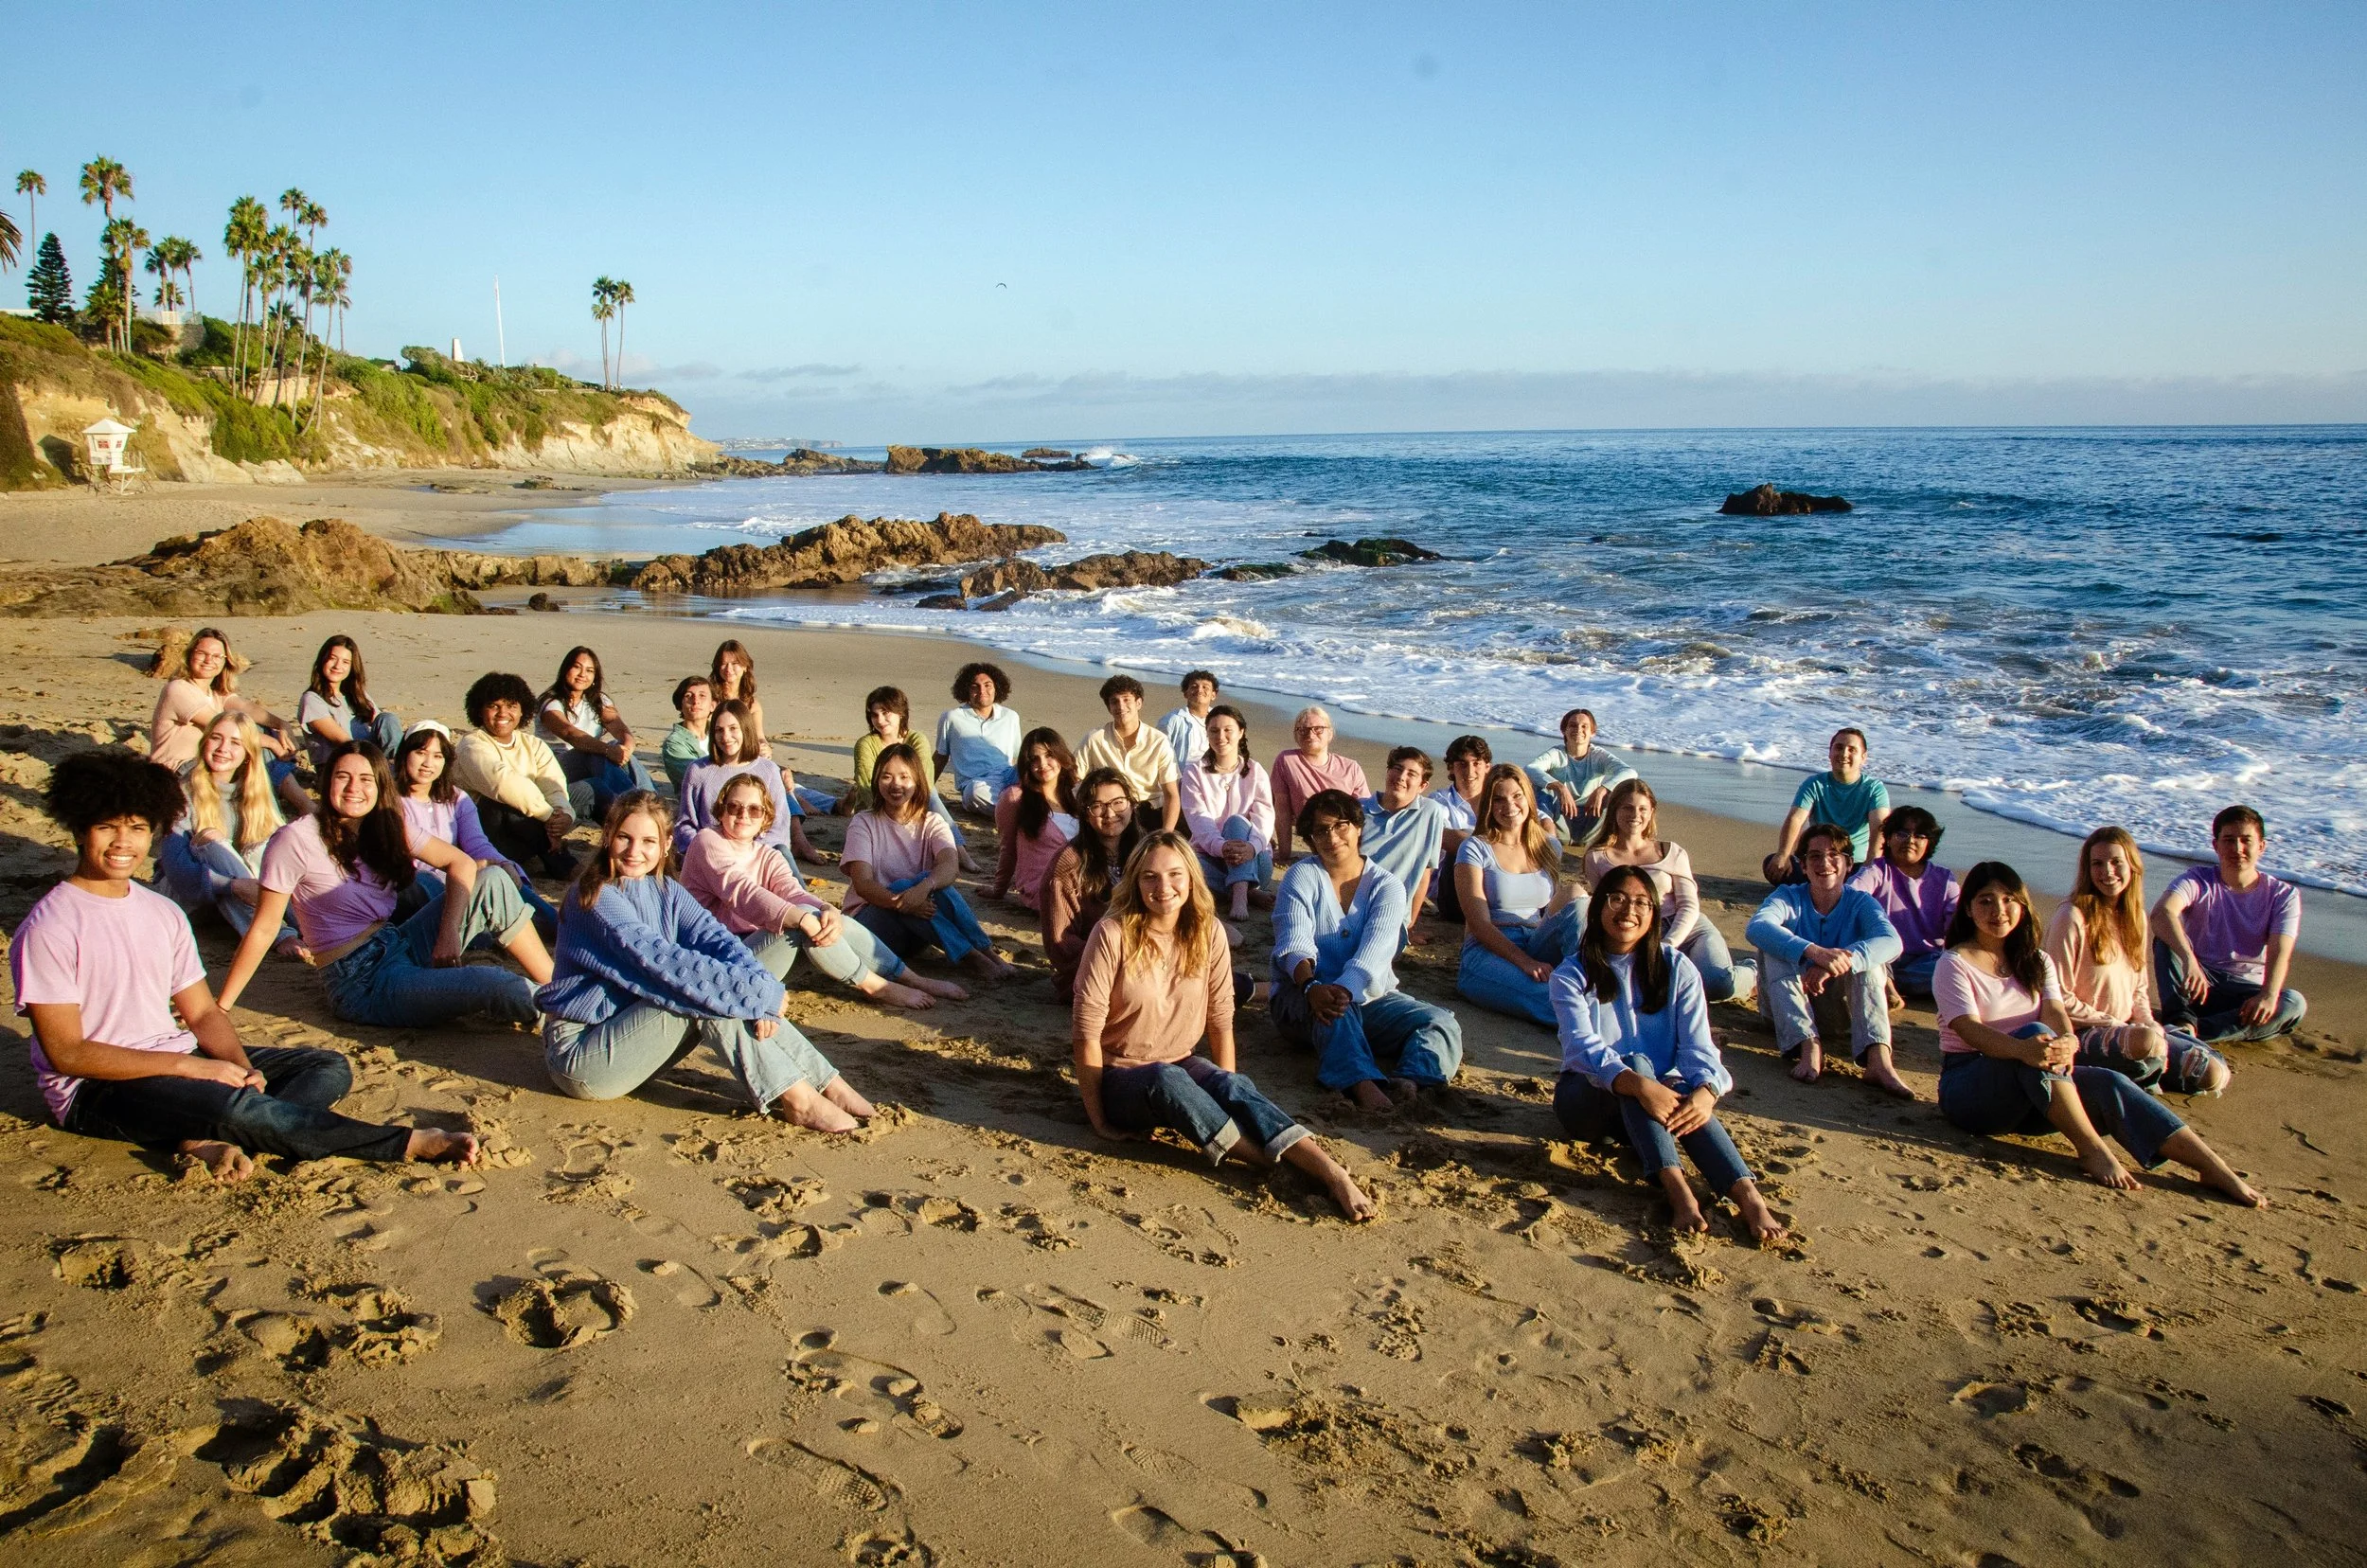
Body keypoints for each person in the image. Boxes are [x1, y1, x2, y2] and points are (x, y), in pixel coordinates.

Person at [14, 751, 477, 1180]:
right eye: (107, 827)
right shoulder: (51, 926)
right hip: (96, 1089)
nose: (123, 842)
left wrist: (239, 1068)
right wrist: (193, 1069)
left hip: (176, 1056)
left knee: (326, 1068)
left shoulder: (162, 912)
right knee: (233, 1104)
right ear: (79, 830)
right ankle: (407, 1143)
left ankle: (214, 1133)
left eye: (136, 828)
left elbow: (202, 1013)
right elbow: (68, 1054)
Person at [1073, 833, 1377, 1221]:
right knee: (1169, 1080)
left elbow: (1220, 1017)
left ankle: (1331, 1172)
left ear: (1191, 878)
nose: (1163, 887)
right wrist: (1099, 1120)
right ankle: (1271, 1165)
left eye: (1174, 875)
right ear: (1134, 881)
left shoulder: (1208, 931)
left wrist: (1223, 1089)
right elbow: (1085, 1032)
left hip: (1181, 1061)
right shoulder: (1112, 934)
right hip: (1119, 1077)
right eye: (1149, 877)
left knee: (1231, 1084)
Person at [539, 792, 878, 1131]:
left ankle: (826, 1083)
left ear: (667, 844)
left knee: (722, 984)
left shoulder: (667, 890)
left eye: (647, 841)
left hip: (635, 1035)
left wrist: (761, 987)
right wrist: (760, 995)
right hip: (583, 1057)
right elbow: (661, 960)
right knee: (702, 993)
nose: (634, 851)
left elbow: (719, 941)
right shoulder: (596, 897)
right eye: (624, 838)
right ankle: (799, 1100)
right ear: (608, 835)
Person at [1935, 861, 2263, 1205]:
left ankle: (2211, 1166)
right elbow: (1968, 1029)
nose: (1998, 910)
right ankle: (2091, 1149)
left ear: (2022, 905)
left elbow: (2056, 1012)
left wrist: (2069, 1041)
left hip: (2034, 1086)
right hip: (1970, 1090)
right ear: (1969, 910)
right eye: (1985, 901)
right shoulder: (1954, 963)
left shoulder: (2036, 960)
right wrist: (2024, 1050)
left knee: (2109, 1081)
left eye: (2008, 900)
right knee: (2034, 1033)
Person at [217, 741, 554, 1030]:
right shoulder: (295, 840)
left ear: (380, 785)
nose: (354, 788)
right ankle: (569, 1017)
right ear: (326, 781)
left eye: (365, 779)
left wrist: (448, 933)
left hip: (397, 942)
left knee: (492, 879)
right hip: (360, 983)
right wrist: (219, 1009)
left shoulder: (386, 825)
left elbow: (461, 863)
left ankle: (558, 986)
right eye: (342, 777)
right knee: (491, 983)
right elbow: (263, 928)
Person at [1553, 865, 1786, 1242]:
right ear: (1597, 909)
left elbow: (1698, 1045)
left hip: (1661, 1107)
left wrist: (1707, 1091)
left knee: (1689, 1098)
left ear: (1655, 915)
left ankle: (1749, 1197)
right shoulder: (1571, 974)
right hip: (1587, 1103)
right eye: (1618, 899)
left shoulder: (1677, 967)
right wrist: (1639, 1085)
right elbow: (1582, 1048)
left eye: (1642, 903)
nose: (1629, 910)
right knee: (1636, 1069)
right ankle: (1678, 1191)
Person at [682, 773, 964, 1011]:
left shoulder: (767, 855)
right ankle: (876, 986)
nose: (744, 815)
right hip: (720, 960)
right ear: (721, 809)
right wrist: (801, 917)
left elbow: (793, 891)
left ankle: (911, 978)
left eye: (754, 809)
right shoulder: (708, 842)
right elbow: (741, 892)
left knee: (823, 916)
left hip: (762, 951)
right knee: (804, 918)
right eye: (734, 807)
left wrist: (828, 909)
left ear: (766, 816)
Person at [1271, 789, 1463, 1112]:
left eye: (1340, 825)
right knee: (1335, 1013)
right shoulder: (1301, 876)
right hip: (1303, 995)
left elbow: (1375, 953)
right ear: (1311, 838)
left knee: (1441, 1021)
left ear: (1358, 827)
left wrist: (1343, 990)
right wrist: (1311, 986)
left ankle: (1412, 1079)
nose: (1332, 837)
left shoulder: (1387, 886)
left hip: (1368, 998)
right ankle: (1361, 1084)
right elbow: (1293, 941)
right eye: (1321, 830)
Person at [2046, 827, 2231, 1096]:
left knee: (2213, 1073)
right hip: (2082, 1033)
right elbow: (2056, 997)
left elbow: (2139, 991)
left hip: (2131, 1030)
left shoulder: (2137, 919)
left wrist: (2148, 1022)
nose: (2107, 872)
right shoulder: (2072, 917)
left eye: (2116, 862)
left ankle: (2147, 1069)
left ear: (2132, 865)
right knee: (2147, 1044)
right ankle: (2141, 1071)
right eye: (2097, 864)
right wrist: (2118, 1026)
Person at [1745, 822, 1912, 1096]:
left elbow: (1892, 942)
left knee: (1870, 962)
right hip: (1784, 1010)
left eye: (1834, 855)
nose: (1825, 863)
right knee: (1775, 947)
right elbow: (1757, 927)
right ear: (1804, 866)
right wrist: (1814, 952)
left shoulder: (1861, 902)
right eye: (1815, 856)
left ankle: (1878, 1060)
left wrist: (1836, 964)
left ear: (1848, 864)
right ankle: (1807, 1044)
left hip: (1842, 1013)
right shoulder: (1788, 896)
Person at [842, 742, 1018, 980]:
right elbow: (863, 883)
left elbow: (949, 866)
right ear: (876, 780)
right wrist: (901, 901)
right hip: (871, 929)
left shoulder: (933, 821)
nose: (896, 785)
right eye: (887, 776)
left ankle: (986, 950)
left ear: (917, 781)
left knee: (929, 880)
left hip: (920, 928)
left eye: (904, 777)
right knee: (902, 886)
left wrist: (923, 889)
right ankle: (973, 957)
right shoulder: (864, 823)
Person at [1581, 777, 1748, 1004]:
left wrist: (1668, 945)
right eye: (1627, 808)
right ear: (1614, 810)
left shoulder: (1671, 852)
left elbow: (1689, 905)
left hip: (1688, 929)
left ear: (1651, 812)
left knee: (1717, 984)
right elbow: (1605, 908)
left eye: (1642, 809)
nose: (1635, 815)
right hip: (1638, 931)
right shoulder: (1597, 857)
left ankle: (1750, 973)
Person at [2151, 805, 2307, 1043]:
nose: (2237, 849)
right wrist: (2189, 959)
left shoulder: (2283, 895)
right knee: (2164, 941)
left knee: (2293, 1003)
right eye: (2229, 840)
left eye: (2246, 840)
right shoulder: (2198, 879)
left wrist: (2268, 994)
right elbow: (2162, 913)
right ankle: (2182, 1020)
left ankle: (2188, 1032)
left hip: (2245, 993)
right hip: (2197, 983)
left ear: (2261, 846)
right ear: (2216, 845)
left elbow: (2280, 949)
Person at [391, 722, 559, 936]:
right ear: (405, 754)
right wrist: (467, 866)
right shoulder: (390, 799)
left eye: (438, 756)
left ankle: (558, 927)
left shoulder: (456, 798)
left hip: (458, 878)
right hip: (418, 884)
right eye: (421, 753)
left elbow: (477, 844)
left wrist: (502, 864)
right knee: (421, 882)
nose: (428, 763)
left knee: (502, 873)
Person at [153, 712, 297, 951]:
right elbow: (178, 871)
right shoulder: (181, 793)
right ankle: (278, 933)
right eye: (216, 738)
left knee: (271, 845)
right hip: (187, 895)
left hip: (241, 899)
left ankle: (306, 923)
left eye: (235, 743)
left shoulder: (257, 792)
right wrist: (233, 886)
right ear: (204, 742)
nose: (223, 748)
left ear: (247, 754)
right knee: (210, 837)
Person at [1454, 764, 1583, 1025]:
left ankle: (1589, 980)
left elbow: (1552, 910)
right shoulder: (1475, 848)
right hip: (1490, 949)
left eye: (1517, 796)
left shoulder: (1549, 846)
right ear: (1488, 805)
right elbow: (1479, 925)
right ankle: (1594, 1025)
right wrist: (1524, 962)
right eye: (1498, 799)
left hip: (1537, 939)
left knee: (1577, 895)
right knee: (1557, 999)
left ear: (1528, 797)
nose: (1509, 806)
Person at [146, 627, 308, 814]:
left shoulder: (215, 694)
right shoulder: (178, 689)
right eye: (202, 654)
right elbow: (221, 727)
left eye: (217, 656)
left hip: (210, 761)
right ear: (190, 655)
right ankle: (286, 807)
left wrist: (281, 724)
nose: (209, 660)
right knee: (255, 741)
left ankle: (278, 804)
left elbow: (247, 708)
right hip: (178, 771)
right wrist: (272, 743)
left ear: (225, 662)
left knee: (259, 727)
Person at [452, 670, 579, 878]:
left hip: (527, 833)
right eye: (494, 706)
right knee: (506, 801)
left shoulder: (533, 745)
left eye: (511, 706)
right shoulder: (472, 745)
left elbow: (553, 782)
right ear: (480, 711)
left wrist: (563, 815)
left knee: (587, 791)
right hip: (481, 836)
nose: (503, 713)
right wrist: (548, 817)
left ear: (522, 711)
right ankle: (563, 863)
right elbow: (504, 784)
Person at [677, 700, 824, 864]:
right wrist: (704, 850)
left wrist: (748, 856)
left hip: (760, 856)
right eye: (719, 730)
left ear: (745, 729)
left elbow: (779, 827)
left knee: (783, 857)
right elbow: (685, 824)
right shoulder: (698, 770)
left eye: (733, 729)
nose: (726, 737)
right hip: (713, 857)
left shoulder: (768, 770)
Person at [1041, 769, 1148, 998]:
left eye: (1118, 802)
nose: (1109, 813)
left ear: (1132, 805)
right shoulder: (1068, 864)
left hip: (1150, 957)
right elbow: (1060, 944)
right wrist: (1120, 960)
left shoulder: (1147, 850)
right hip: (1095, 973)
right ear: (1085, 814)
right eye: (1098, 806)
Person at [845, 686, 972, 869]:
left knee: (931, 792)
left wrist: (908, 813)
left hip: (913, 807)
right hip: (877, 809)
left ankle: (958, 850)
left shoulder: (916, 740)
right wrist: (892, 814)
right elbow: (866, 786)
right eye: (874, 715)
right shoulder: (866, 744)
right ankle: (956, 850)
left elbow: (924, 782)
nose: (879, 720)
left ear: (901, 713)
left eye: (885, 712)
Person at [1845, 806, 1957, 1006]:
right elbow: (1848, 897)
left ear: (1929, 842)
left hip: (1926, 961)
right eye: (1902, 833)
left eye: (1920, 835)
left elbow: (1958, 926)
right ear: (1888, 838)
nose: (1910, 841)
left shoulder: (1944, 879)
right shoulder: (1877, 871)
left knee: (1952, 968)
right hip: (1884, 956)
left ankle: (1889, 985)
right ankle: (1886, 984)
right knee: (1869, 953)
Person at [1182, 704, 1273, 932]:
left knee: (1236, 822)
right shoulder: (1194, 772)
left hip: (1255, 860)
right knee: (1184, 869)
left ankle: (1240, 893)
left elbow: (1264, 817)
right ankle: (1246, 890)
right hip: (1210, 860)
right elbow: (1198, 820)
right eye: (1213, 731)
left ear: (1241, 732)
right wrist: (1221, 847)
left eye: (1227, 730)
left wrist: (1253, 847)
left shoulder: (1255, 770)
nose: (1220, 737)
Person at [537, 645, 654, 816]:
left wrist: (626, 749)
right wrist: (607, 750)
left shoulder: (599, 701)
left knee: (616, 746)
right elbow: (570, 734)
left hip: (593, 765)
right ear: (565, 670)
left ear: (594, 677)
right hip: (555, 767)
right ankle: (635, 805)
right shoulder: (551, 702)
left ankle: (651, 801)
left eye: (589, 670)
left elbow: (620, 729)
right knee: (594, 751)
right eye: (577, 667)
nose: (582, 674)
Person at [1766, 727, 1890, 882]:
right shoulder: (1814, 784)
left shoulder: (1874, 789)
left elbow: (1880, 828)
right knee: (1772, 864)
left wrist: (1870, 866)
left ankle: (1830, 889)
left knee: (1883, 873)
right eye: (1839, 747)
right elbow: (1795, 819)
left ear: (1863, 757)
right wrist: (1783, 854)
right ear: (1830, 753)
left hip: (1855, 865)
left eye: (1852, 750)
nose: (1844, 754)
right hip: (1819, 860)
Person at [1073, 674, 1183, 831]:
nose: (1120, 706)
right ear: (1109, 707)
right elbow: (1074, 779)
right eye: (1114, 701)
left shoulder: (1158, 741)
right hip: (1109, 813)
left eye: (1126, 700)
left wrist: (1166, 834)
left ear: (1139, 703)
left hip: (1148, 812)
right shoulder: (1095, 739)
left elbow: (1171, 794)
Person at [1361, 747, 1448, 937]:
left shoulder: (1429, 812)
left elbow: (1424, 871)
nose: (1401, 777)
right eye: (1397, 769)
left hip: (1392, 915)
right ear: (1388, 771)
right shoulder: (1358, 810)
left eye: (1412, 774)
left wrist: (1409, 924)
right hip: (1351, 906)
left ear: (1423, 785)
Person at [990, 727, 1077, 912]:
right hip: (1044, 887)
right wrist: (998, 889)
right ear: (1027, 764)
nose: (1043, 764)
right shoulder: (1015, 798)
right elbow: (1008, 847)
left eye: (1049, 756)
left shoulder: (1076, 795)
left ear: (1061, 756)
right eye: (1035, 759)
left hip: (1081, 880)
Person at [1270, 706, 1369, 863]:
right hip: (1316, 832)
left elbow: (1365, 813)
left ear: (1330, 733)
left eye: (1318, 729)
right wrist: (1284, 853)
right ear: (1296, 734)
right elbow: (1282, 810)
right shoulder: (1287, 761)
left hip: (1346, 833)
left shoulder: (1351, 768)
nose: (1310, 734)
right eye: (1303, 730)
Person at [1525, 708, 1636, 844]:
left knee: (1619, 793)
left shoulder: (1598, 756)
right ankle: (1548, 843)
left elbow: (1629, 772)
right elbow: (1530, 769)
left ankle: (1617, 840)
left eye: (1584, 726)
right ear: (1564, 730)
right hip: (1559, 819)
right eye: (1572, 725)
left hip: (1591, 816)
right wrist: (1559, 787)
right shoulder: (1557, 753)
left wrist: (1603, 789)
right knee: (1542, 790)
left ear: (1593, 732)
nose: (1578, 729)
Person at [297, 634, 405, 771]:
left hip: (372, 758)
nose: (338, 666)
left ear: (352, 667)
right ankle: (395, 772)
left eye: (345, 662)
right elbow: (344, 742)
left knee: (387, 718)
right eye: (332, 659)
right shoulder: (312, 700)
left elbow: (384, 727)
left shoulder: (357, 695)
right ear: (322, 660)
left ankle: (400, 766)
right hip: (340, 765)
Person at [934, 662, 1023, 812]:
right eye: (975, 686)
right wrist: (923, 791)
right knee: (974, 794)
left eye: (988, 685)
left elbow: (1019, 755)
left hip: (1008, 776)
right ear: (966, 690)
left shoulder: (1010, 716)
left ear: (996, 688)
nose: (982, 691)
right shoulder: (952, 718)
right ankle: (1016, 814)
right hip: (975, 782)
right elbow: (940, 757)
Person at [1430, 735, 1491, 927]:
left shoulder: (1499, 798)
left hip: (1496, 883)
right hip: (1453, 891)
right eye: (1462, 764)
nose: (1470, 771)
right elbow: (1446, 838)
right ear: (1451, 767)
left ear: (1487, 767)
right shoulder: (1439, 801)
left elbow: (1542, 820)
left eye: (1476, 763)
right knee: (1462, 849)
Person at [709, 640, 769, 756]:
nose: (728, 669)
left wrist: (765, 747)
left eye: (735, 663)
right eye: (723, 663)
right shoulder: (711, 698)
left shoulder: (752, 704)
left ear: (745, 666)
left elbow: (759, 736)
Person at [1158, 670, 1220, 775]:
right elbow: (1159, 755)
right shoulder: (1172, 720)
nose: (1199, 690)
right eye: (1194, 687)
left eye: (1205, 687)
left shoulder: (1220, 719)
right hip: (1183, 778)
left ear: (1213, 695)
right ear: (1186, 693)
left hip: (1214, 777)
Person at [660, 676, 716, 793]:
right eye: (688, 696)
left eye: (702, 695)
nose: (696, 701)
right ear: (680, 705)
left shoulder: (722, 733)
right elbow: (698, 779)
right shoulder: (674, 744)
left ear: (713, 705)